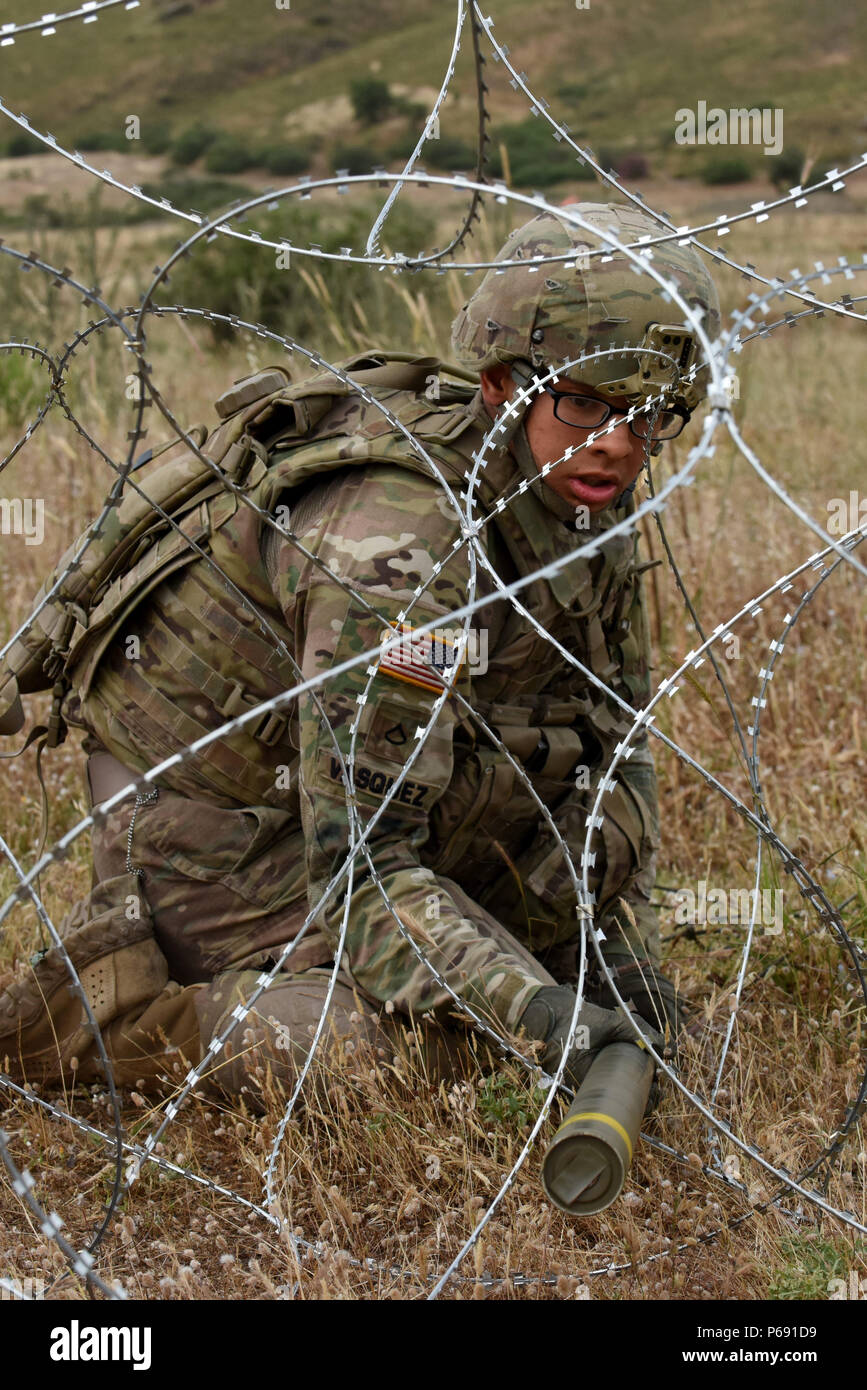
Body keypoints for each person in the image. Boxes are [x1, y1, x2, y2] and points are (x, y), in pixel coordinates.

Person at [0, 202, 719, 1103]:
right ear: (500, 381)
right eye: (583, 402)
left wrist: (619, 962)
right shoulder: (398, 551)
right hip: (226, 833)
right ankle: (94, 1026)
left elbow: (619, 761)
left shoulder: (582, 499)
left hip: (365, 797)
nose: (617, 442)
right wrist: (540, 1017)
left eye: (650, 414)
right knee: (401, 1056)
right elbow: (362, 866)